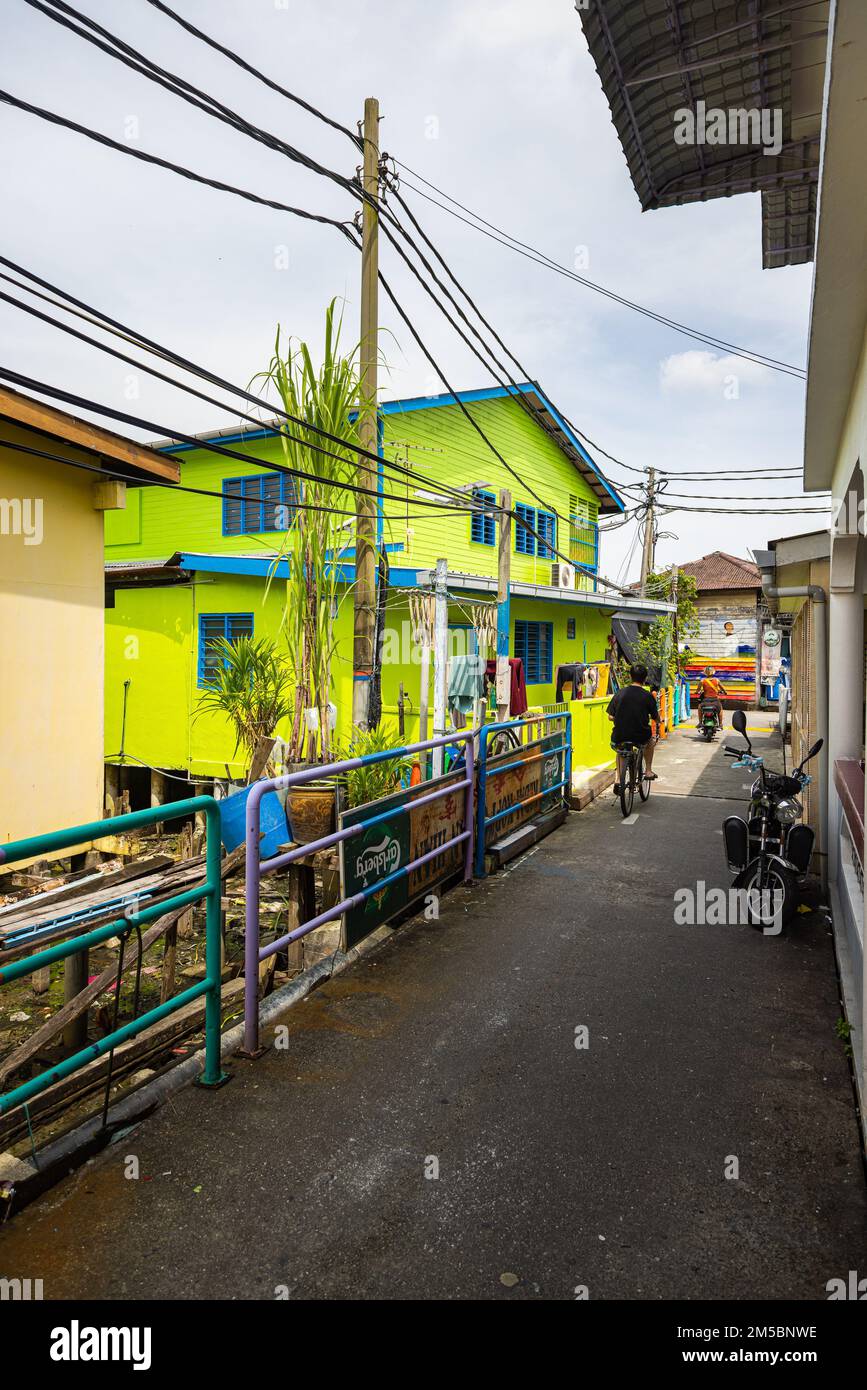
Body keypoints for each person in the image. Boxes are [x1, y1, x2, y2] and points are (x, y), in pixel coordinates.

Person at [607, 663, 659, 795]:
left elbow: (610, 717)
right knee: (650, 742)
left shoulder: (620, 693)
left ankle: (618, 779)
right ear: (645, 678)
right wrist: (659, 721)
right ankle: (647, 770)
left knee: (620, 751)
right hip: (641, 735)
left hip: (620, 734)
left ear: (631, 676)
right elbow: (655, 717)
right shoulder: (647, 696)